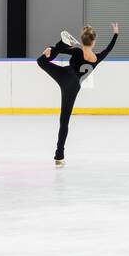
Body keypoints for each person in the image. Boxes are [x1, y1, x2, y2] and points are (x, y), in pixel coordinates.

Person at [36, 22, 119, 166]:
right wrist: (115, 34)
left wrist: (51, 49)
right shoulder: (97, 58)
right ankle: (59, 156)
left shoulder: (77, 51)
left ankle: (63, 42)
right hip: (72, 85)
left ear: (82, 40)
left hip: (64, 73)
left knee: (41, 61)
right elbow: (108, 49)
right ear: (93, 42)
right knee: (64, 121)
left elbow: (59, 51)